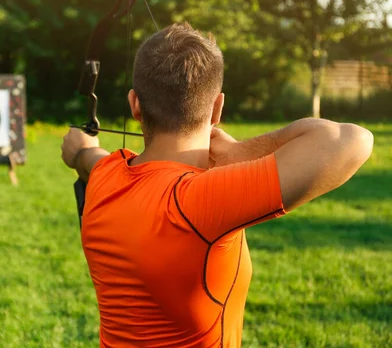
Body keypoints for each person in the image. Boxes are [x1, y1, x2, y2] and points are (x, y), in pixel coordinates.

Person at [60, 22, 373, 348]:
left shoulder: (105, 173)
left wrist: (81, 148)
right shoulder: (198, 202)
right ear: (217, 108)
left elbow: (84, 156)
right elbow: (352, 141)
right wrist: (239, 152)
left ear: (135, 104)